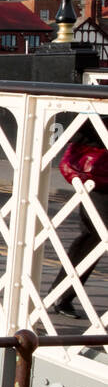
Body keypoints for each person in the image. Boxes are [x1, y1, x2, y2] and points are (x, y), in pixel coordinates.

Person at [50, 125, 108, 319]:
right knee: (97, 234)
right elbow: (79, 130)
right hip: (100, 173)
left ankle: (62, 294)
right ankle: (62, 294)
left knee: (96, 235)